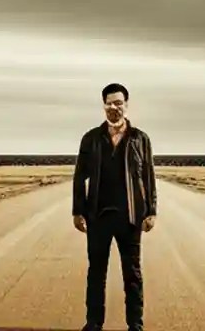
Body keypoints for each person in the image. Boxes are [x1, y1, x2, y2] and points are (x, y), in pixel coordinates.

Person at [72, 82, 157, 331]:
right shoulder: (91, 139)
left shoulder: (140, 139)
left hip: (130, 216)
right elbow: (79, 176)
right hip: (98, 215)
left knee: (132, 274)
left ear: (126, 105)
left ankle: (135, 325)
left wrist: (151, 210)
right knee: (96, 273)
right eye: (109, 103)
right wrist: (78, 211)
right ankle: (94, 323)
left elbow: (149, 176)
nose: (114, 108)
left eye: (119, 103)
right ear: (103, 106)